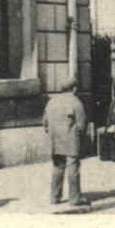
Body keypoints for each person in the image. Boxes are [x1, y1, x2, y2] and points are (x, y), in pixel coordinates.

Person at [43, 76, 88, 209]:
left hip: (55, 141)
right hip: (71, 140)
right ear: (74, 89)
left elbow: (45, 123)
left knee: (57, 167)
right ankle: (75, 198)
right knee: (73, 168)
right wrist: (81, 139)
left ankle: (55, 197)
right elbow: (81, 124)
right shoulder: (76, 102)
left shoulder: (51, 102)